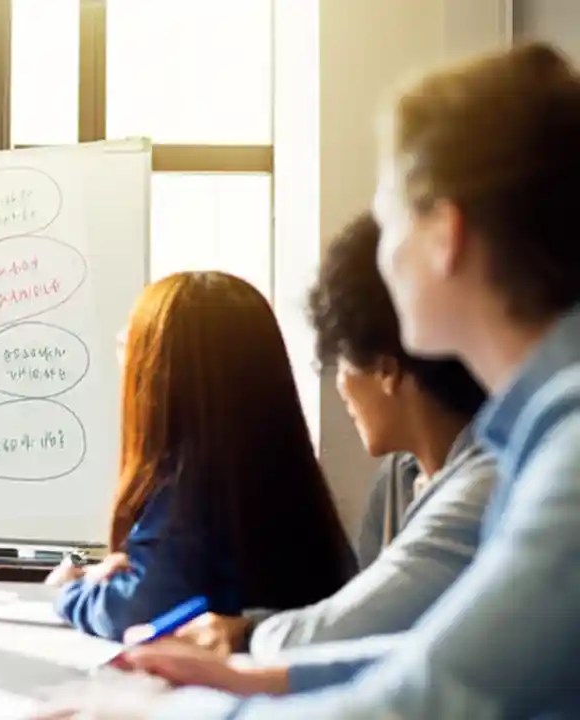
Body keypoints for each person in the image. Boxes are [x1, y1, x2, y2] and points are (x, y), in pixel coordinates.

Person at [116, 42, 580, 718]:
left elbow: (436, 696)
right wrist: (261, 682)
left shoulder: (567, 451)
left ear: (445, 236)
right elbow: (450, 653)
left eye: (391, 221)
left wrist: (159, 713)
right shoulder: (537, 433)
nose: (382, 257)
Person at [168, 213, 495, 659]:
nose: (340, 384)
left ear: (386, 369)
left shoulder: (488, 481)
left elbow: (359, 627)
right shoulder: (399, 478)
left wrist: (245, 635)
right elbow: (359, 618)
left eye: (341, 361)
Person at [45, 272, 356, 641]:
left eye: (129, 349)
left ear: (159, 375)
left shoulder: (188, 487)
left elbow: (136, 611)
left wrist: (69, 589)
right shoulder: (286, 477)